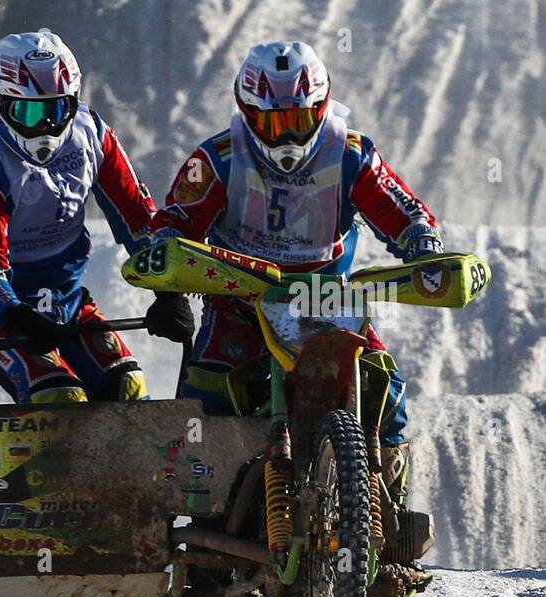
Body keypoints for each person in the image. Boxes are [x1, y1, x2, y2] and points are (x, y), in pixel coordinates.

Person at [151, 40, 443, 507]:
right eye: (271, 122)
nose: (286, 137)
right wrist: (166, 273)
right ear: (247, 111)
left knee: (387, 392)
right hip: (240, 302)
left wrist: (421, 243)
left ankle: (388, 517)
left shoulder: (351, 154)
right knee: (202, 394)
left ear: (323, 107)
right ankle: (200, 515)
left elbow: (403, 209)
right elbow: (173, 222)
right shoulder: (218, 157)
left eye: (299, 120)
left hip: (326, 304)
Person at [0, 30, 194, 405]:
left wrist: (168, 288)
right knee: (60, 398)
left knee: (128, 388)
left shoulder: (91, 133)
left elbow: (139, 219)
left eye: (58, 109)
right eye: (30, 112)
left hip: (70, 301)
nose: (45, 127)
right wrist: (13, 315)